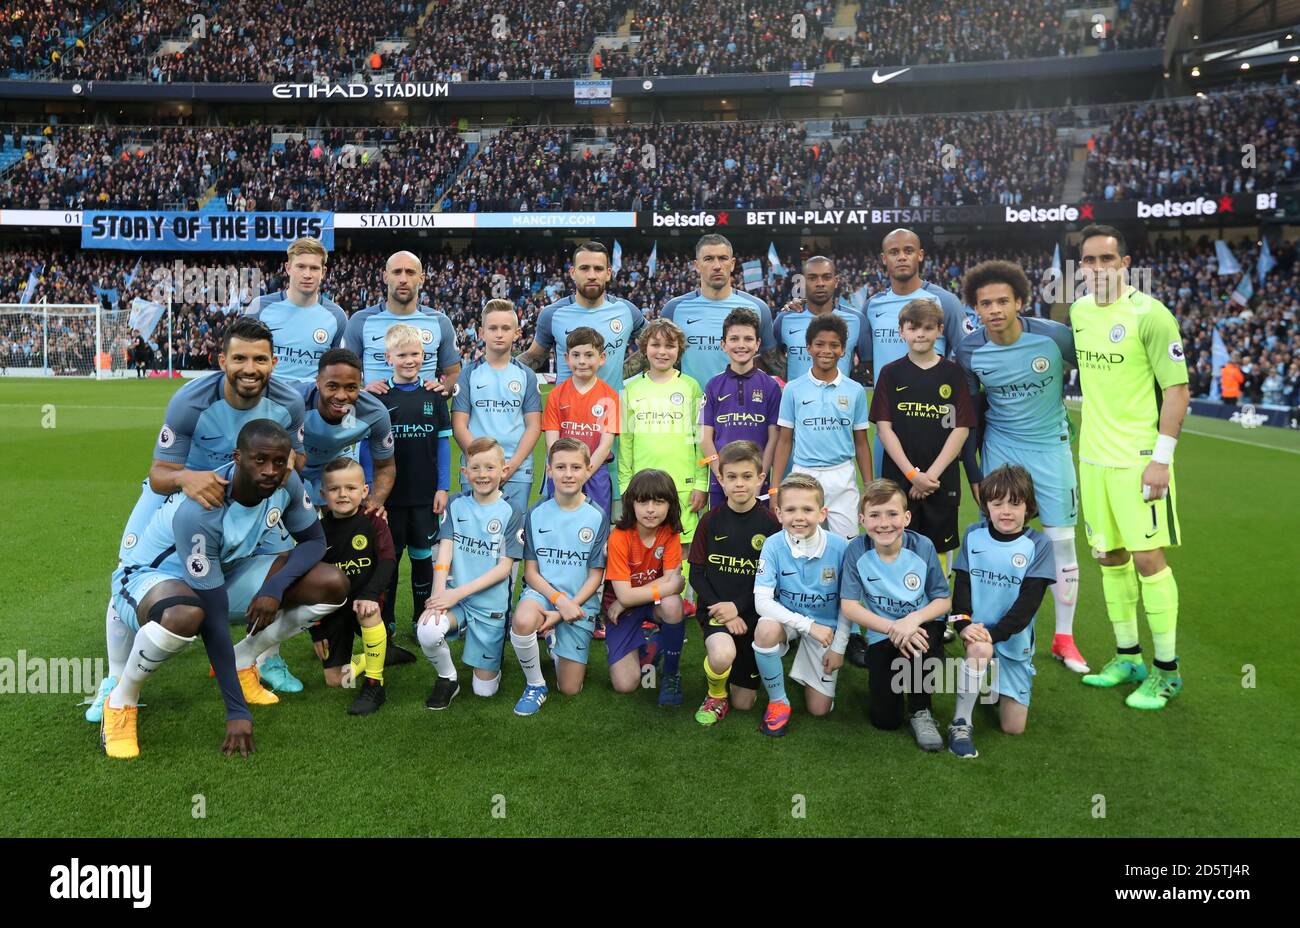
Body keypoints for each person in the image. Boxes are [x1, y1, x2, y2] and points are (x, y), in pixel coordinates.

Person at [87, 317, 306, 723]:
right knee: (130, 568)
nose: (250, 368)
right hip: (180, 501)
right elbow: (159, 474)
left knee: (285, 566)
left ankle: (257, 661)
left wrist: (277, 479)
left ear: (273, 363)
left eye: (260, 359)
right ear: (222, 359)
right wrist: (188, 477)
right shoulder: (191, 401)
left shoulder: (290, 403)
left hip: (248, 503)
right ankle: (114, 680)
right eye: (239, 358)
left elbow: (295, 457)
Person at [102, 420, 347, 759]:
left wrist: (275, 587)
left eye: (278, 461)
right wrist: (236, 712)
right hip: (149, 579)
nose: (270, 471)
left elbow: (314, 541)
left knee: (332, 584)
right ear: (237, 458)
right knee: (187, 615)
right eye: (259, 460)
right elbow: (214, 620)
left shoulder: (286, 482)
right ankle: (121, 701)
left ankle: (244, 658)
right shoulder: (202, 511)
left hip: (224, 572)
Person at [1071, 224, 1189, 710]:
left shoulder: (1151, 315)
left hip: (1139, 460)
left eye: (1107, 259)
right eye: (1090, 260)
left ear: (1124, 263)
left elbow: (1177, 390)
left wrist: (1161, 460)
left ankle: (1167, 671)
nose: (1098, 268)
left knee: (1148, 560)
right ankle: (1128, 657)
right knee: (1108, 556)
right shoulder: (1077, 311)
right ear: (1081, 267)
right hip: (1093, 458)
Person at [957, 260, 1088, 673]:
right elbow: (970, 414)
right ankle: (986, 634)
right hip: (1001, 451)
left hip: (1051, 451)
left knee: (1062, 542)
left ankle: (1064, 639)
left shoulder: (1055, 338)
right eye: (984, 303)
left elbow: (1098, 375)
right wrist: (975, 473)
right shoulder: (970, 348)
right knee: (996, 543)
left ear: (1019, 302)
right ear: (975, 309)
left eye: (1002, 301)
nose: (994, 310)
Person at [947, 465, 1057, 758]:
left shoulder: (1039, 545)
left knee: (1013, 727)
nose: (1005, 511)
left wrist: (992, 635)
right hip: (978, 635)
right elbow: (962, 589)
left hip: (1012, 638)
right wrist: (963, 626)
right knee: (981, 651)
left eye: (1014, 503)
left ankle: (993, 686)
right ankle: (960, 722)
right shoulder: (974, 535)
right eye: (997, 504)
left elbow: (1027, 607)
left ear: (1029, 506)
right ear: (986, 507)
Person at [837, 480, 951, 751]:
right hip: (882, 629)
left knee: (918, 646)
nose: (884, 523)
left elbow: (943, 600)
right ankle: (890, 675)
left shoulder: (922, 546)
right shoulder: (856, 550)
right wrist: (893, 628)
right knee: (885, 720)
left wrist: (911, 622)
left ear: (906, 517)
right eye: (875, 515)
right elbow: (850, 606)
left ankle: (921, 710)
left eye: (892, 514)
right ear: (862, 519)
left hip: (922, 622)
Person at [418, 438, 524, 710]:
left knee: (484, 691)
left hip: (490, 607)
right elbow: (445, 553)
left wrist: (456, 593)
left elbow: (504, 568)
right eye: (475, 468)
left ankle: (492, 659)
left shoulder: (512, 511)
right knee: (427, 630)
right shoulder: (455, 504)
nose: (483, 475)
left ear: (504, 470)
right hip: (457, 602)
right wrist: (439, 594)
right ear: (465, 472)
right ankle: (448, 678)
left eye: (490, 468)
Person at [869, 298, 974, 574]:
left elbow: (960, 429)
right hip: (900, 480)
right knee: (895, 544)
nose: (920, 334)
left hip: (941, 481)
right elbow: (884, 429)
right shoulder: (890, 374)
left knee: (939, 551)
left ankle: (937, 613)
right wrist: (913, 475)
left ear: (940, 330)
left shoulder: (953, 375)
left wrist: (930, 477)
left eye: (928, 328)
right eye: (913, 328)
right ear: (901, 331)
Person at [509, 438, 609, 716]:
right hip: (544, 594)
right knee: (523, 619)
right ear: (549, 471)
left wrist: (568, 607)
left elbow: (595, 576)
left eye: (576, 467)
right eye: (561, 467)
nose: (568, 474)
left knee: (569, 688)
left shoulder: (597, 516)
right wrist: (557, 601)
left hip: (579, 603)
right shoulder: (536, 512)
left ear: (588, 470)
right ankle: (535, 684)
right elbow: (530, 571)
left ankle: (555, 640)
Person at [862, 228, 970, 475]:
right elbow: (869, 361)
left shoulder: (945, 301)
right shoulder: (872, 305)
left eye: (908, 251)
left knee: (934, 499)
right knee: (887, 502)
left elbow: (966, 358)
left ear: (920, 255)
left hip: (934, 418)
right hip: (888, 423)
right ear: (883, 259)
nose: (901, 257)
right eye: (894, 252)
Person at [689, 440, 781, 726]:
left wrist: (738, 609)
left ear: (760, 479)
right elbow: (695, 574)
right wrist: (720, 608)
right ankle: (715, 694)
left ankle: (736, 680)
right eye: (731, 477)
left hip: (752, 615)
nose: (739, 484)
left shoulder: (770, 527)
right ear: (720, 479)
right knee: (722, 654)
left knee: (744, 703)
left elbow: (774, 583)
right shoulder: (710, 522)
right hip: (716, 612)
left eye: (747, 476)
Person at [751, 474, 849, 737]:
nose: (799, 517)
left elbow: (848, 606)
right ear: (779, 512)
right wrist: (806, 626)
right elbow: (761, 601)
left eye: (807, 509)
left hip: (826, 628)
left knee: (819, 709)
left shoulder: (841, 547)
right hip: (792, 620)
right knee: (765, 630)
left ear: (822, 513)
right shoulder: (772, 545)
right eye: (791, 509)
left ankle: (808, 660)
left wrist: (839, 647)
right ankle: (778, 701)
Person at [381, 323, 452, 662]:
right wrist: (372, 490)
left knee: (424, 558)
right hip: (391, 497)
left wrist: (443, 486)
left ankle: (419, 616)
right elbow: (369, 447)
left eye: (415, 355)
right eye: (402, 355)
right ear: (388, 357)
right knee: (390, 560)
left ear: (424, 357)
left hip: (425, 496)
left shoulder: (434, 395)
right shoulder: (380, 397)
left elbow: (443, 445)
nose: (409, 360)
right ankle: (387, 620)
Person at [770, 314, 873, 538]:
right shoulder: (793, 389)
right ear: (808, 347)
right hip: (803, 474)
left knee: (846, 545)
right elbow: (784, 440)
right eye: (819, 344)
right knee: (800, 542)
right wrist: (775, 487)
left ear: (844, 350)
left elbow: (862, 444)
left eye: (834, 345)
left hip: (842, 475)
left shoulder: (855, 390)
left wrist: (869, 487)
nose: (826, 350)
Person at [311, 457, 396, 714]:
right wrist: (316, 630)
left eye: (350, 488)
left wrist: (371, 594)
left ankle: (374, 683)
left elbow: (388, 561)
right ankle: (371, 657)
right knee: (336, 681)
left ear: (364, 491)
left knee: (367, 610)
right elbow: (310, 582)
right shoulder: (317, 531)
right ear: (323, 494)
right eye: (335, 489)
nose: (343, 494)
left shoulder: (374, 521)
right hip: (333, 610)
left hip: (364, 600)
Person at [618, 318, 708, 552]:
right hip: (642, 488)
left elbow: (700, 439)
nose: (662, 352)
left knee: (683, 549)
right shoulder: (630, 389)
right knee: (645, 548)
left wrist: (700, 483)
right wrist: (625, 485)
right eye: (655, 345)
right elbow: (626, 442)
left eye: (670, 346)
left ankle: (682, 590)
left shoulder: (691, 386)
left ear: (679, 351)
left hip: (684, 486)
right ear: (644, 348)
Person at [451, 299, 542, 518]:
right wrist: (482, 463)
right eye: (493, 328)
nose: (499, 334)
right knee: (476, 537)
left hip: (517, 469)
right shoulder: (468, 374)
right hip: (477, 470)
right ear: (482, 333)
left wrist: (511, 465)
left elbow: (533, 426)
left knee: (511, 540)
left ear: (517, 332)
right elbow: (459, 424)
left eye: (505, 328)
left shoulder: (526, 376)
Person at [603, 469, 687, 705]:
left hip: (647, 604)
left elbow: (670, 584)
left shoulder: (669, 533)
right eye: (643, 501)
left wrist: (629, 597)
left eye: (659, 501)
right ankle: (651, 644)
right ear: (631, 503)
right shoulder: (620, 536)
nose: (651, 509)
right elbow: (669, 583)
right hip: (620, 610)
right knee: (625, 685)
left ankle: (671, 673)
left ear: (670, 504)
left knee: (672, 605)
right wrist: (624, 599)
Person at [518, 241, 646, 386]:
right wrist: (501, 372)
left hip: (612, 405)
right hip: (567, 407)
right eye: (584, 268)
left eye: (598, 269)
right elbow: (534, 356)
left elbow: (658, 344)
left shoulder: (627, 311)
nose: (591, 275)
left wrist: (621, 372)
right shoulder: (552, 315)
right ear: (573, 272)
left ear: (608, 273)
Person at [661, 233, 775, 389]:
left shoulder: (758, 308)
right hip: (690, 406)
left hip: (739, 408)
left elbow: (773, 363)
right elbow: (656, 359)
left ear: (732, 263)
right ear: (697, 265)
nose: (717, 266)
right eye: (708, 259)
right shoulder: (674, 309)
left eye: (723, 258)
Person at [343, 250, 462, 394]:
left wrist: (439, 394)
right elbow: (342, 373)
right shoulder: (360, 321)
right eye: (397, 272)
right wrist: (362, 391)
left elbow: (454, 374)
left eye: (410, 272)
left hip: (423, 414)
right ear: (385, 277)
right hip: (375, 414)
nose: (403, 279)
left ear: (422, 278)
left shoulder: (440, 322)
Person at [698, 307, 782, 508]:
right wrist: (721, 476)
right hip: (721, 485)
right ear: (723, 344)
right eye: (734, 339)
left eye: (748, 339)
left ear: (758, 344)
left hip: (757, 485)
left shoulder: (771, 387)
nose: (741, 345)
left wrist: (761, 477)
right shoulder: (712, 385)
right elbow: (704, 437)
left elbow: (774, 439)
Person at [295, 348, 394, 506]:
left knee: (344, 524)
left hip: (334, 468)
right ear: (318, 382)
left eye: (351, 388)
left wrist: (375, 503)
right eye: (332, 387)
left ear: (360, 386)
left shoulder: (375, 414)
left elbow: (386, 466)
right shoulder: (294, 402)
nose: (341, 396)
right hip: (292, 466)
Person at [244, 236, 349, 382]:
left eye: (314, 268)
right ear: (288, 268)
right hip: (267, 396)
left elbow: (336, 368)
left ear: (323, 272)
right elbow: (241, 357)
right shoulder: (260, 307)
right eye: (301, 267)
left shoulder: (337, 316)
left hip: (311, 399)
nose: (307, 274)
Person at [541, 327, 620, 518]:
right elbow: (552, 442)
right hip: (562, 472)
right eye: (576, 355)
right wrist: (564, 469)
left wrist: (584, 472)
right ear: (567, 358)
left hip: (594, 471)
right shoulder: (556, 395)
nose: (582, 361)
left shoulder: (610, 396)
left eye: (589, 355)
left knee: (595, 525)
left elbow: (605, 444)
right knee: (558, 523)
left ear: (602, 358)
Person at [774, 255, 870, 381]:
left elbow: (868, 364)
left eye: (826, 277)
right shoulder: (784, 320)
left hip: (840, 400)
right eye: (812, 278)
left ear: (836, 281)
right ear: (802, 283)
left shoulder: (856, 320)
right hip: (797, 400)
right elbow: (771, 360)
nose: (820, 283)